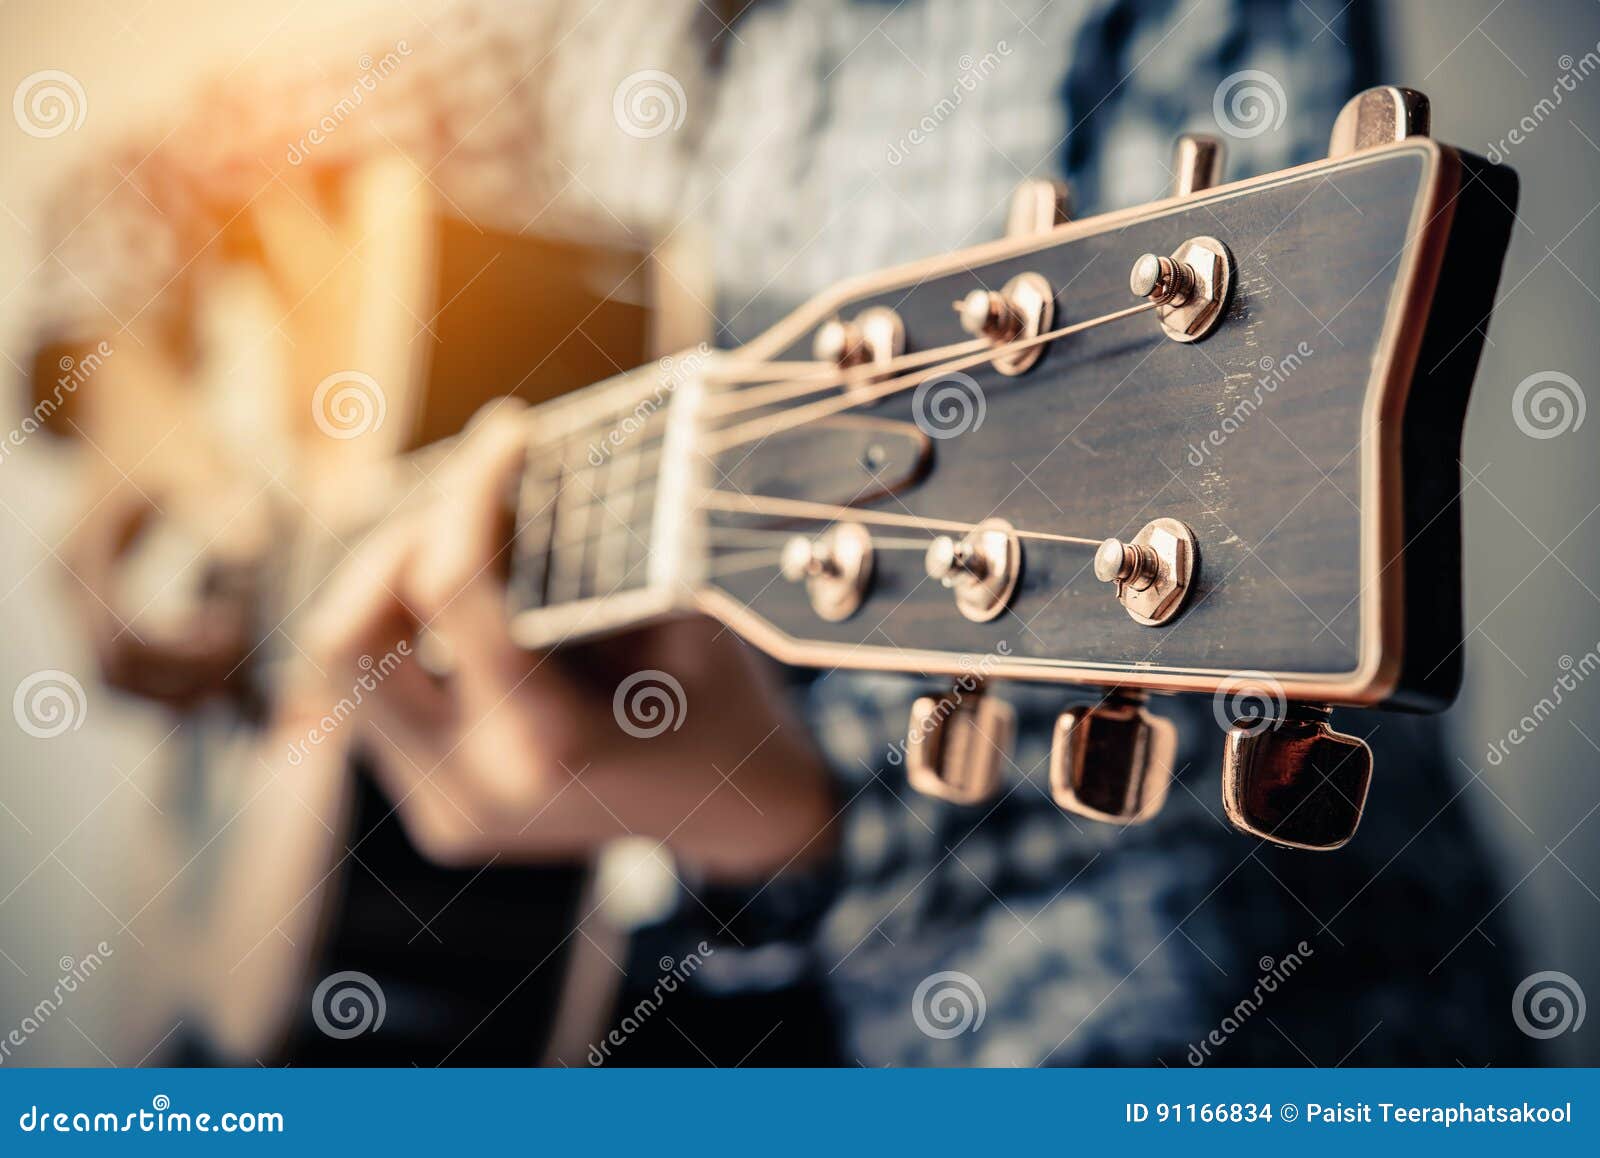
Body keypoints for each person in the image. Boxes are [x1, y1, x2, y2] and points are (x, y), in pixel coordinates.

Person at [27, 0, 1532, 1065]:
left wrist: (777, 822)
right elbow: (118, 193)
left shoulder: (1137, 25)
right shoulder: (585, 36)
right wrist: (139, 425)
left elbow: (1229, 987)